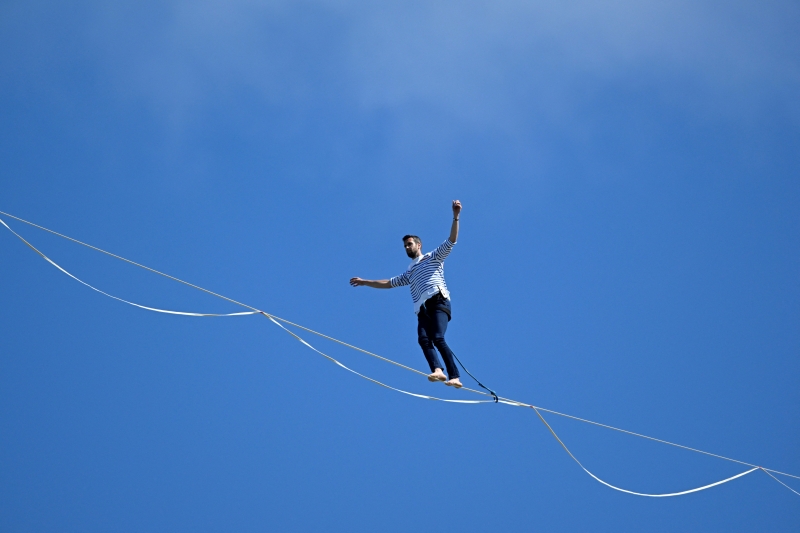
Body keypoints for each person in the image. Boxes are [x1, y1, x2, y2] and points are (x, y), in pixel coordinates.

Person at [350, 200, 463, 388]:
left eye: (409, 244)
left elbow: (452, 240)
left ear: (419, 245)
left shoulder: (433, 257)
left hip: (438, 301)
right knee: (423, 339)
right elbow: (389, 283)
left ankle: (455, 376)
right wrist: (365, 282)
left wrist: (456, 216)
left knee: (438, 337)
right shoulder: (410, 271)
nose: (406, 248)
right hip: (423, 311)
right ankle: (438, 370)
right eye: (404, 246)